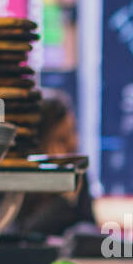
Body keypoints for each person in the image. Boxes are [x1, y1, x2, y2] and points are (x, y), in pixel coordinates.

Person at [14, 90, 95, 237]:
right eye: (62, 139)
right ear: (38, 144)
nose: (74, 143)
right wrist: (65, 200)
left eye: (74, 132)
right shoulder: (17, 177)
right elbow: (22, 234)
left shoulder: (78, 174)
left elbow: (88, 230)